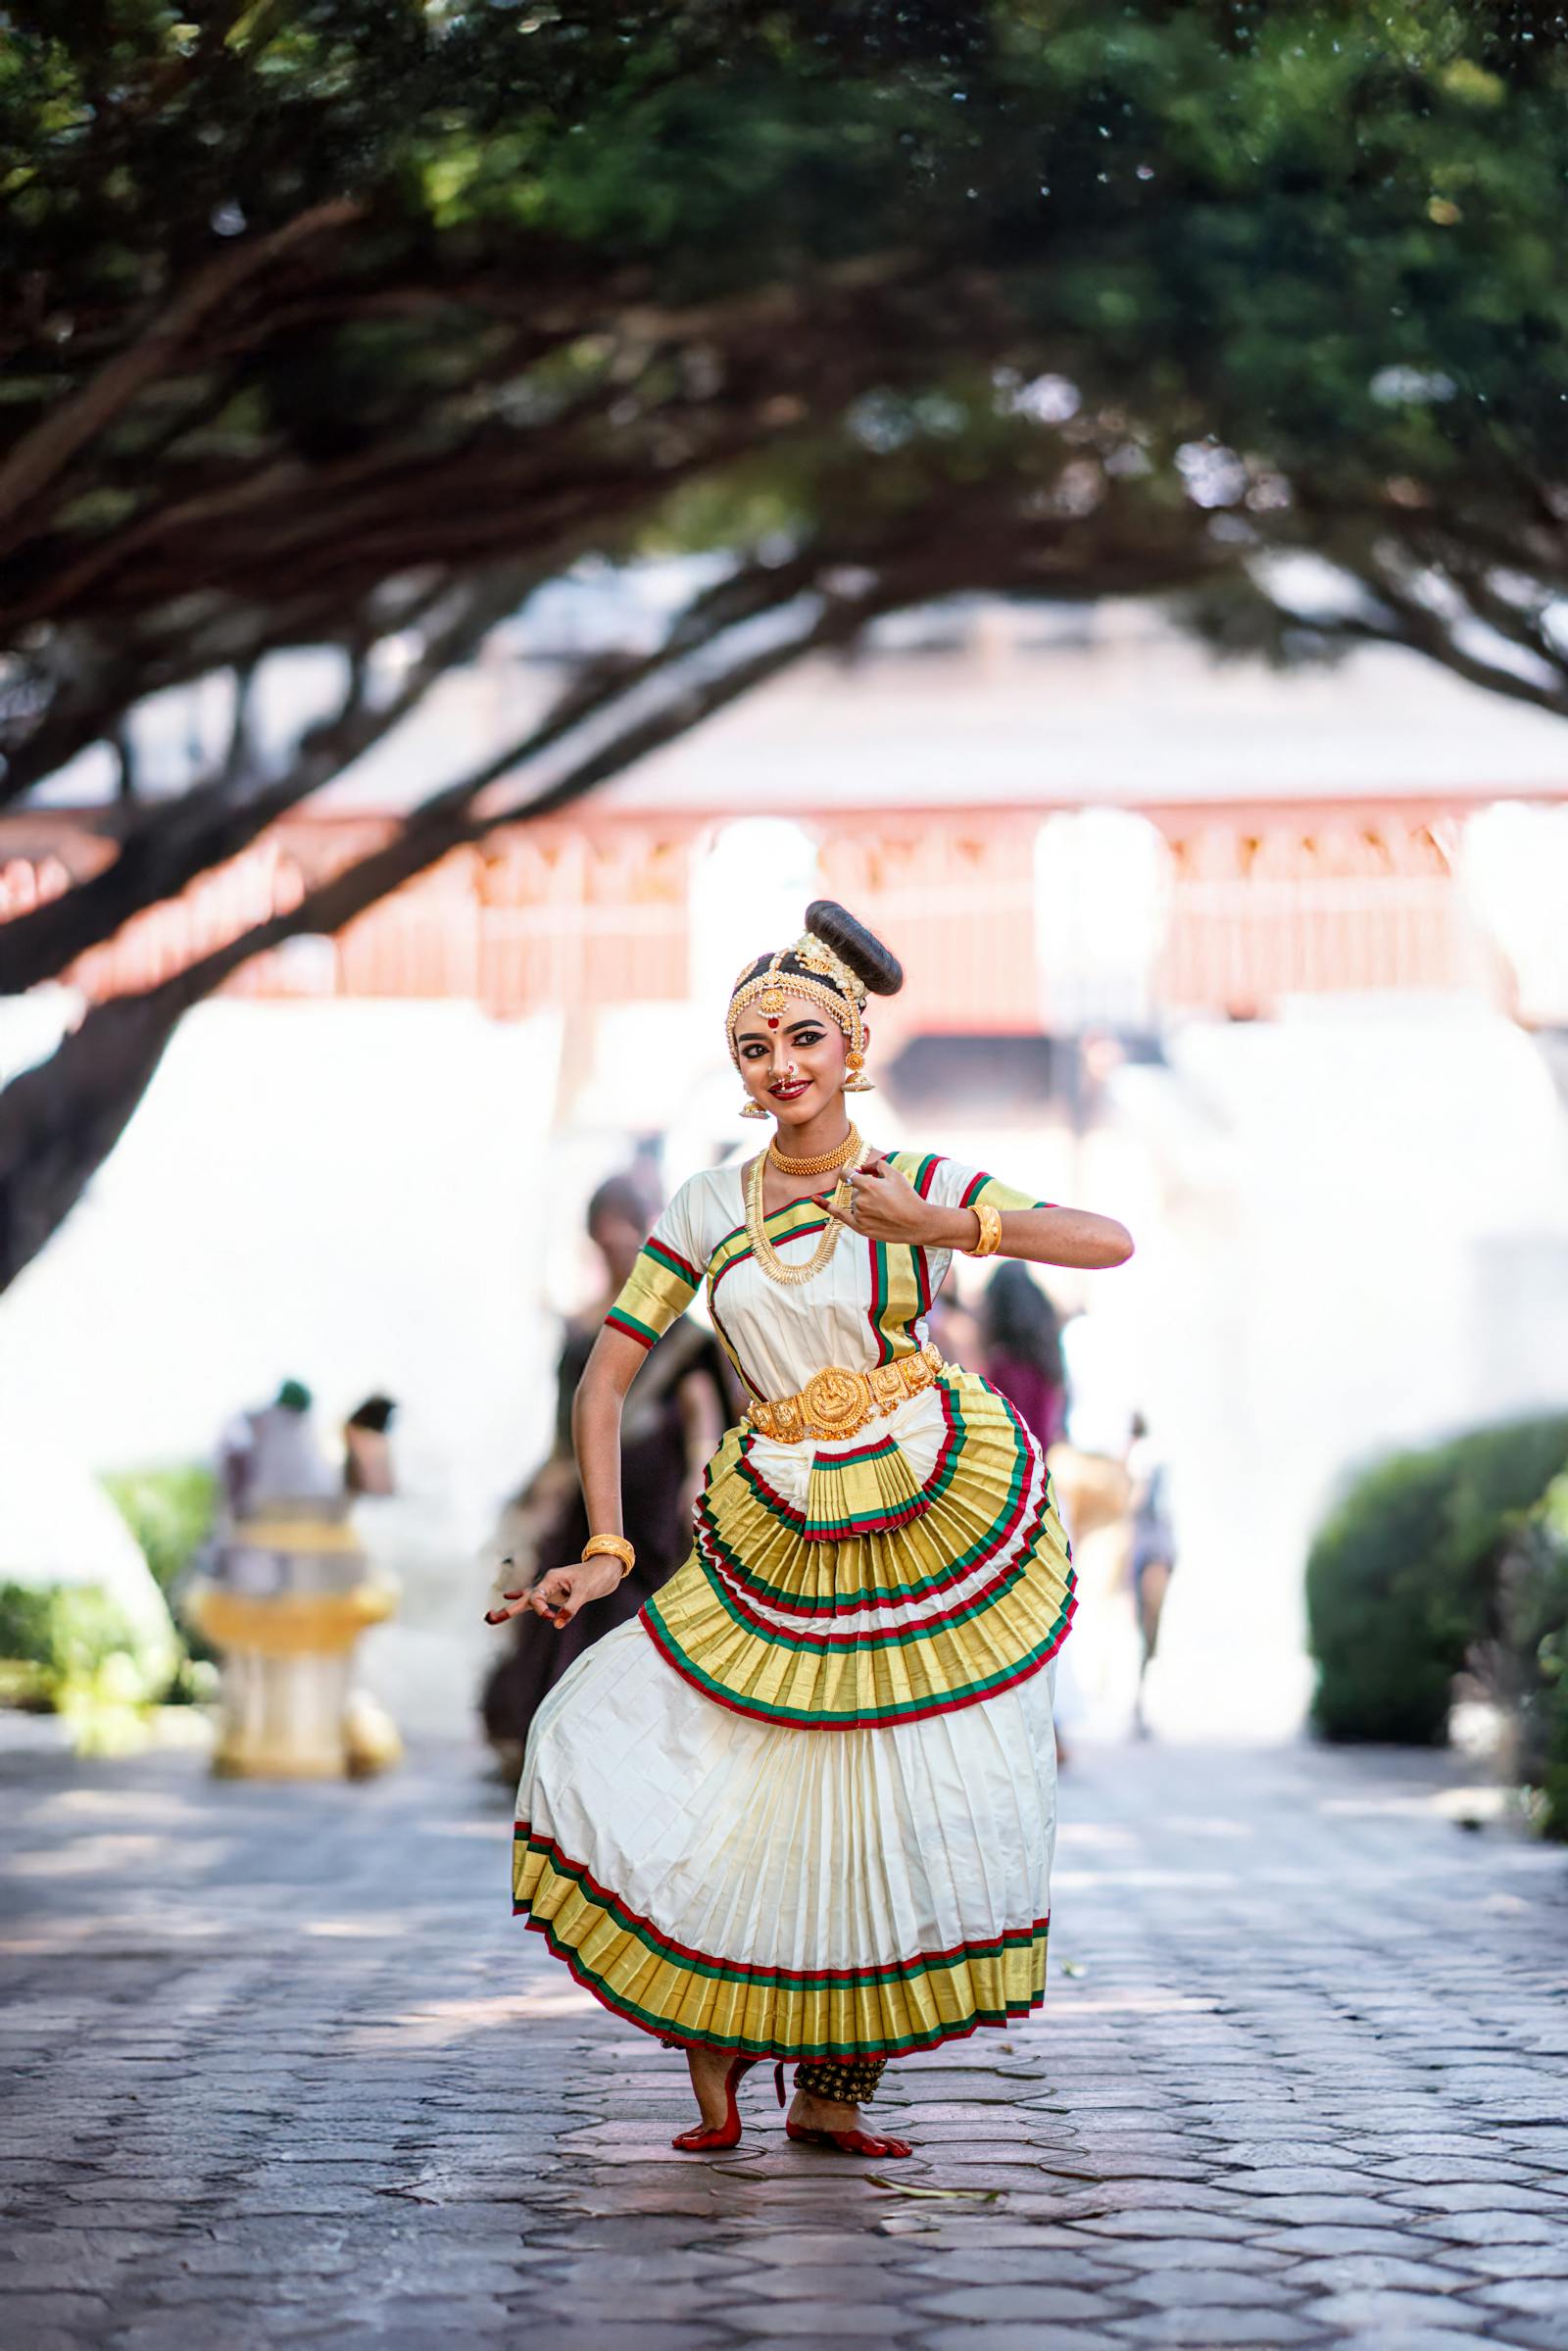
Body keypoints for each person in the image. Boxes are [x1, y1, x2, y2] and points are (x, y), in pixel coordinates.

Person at [484, 902, 1133, 2159]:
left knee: (885, 1789)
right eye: (754, 1046)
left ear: (853, 1047)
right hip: (776, 1508)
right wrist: (608, 1546)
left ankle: (835, 2086)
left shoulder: (916, 1180)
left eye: (804, 1038)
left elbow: (1104, 1239)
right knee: (707, 1748)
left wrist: (940, 1227)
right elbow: (605, 1377)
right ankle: (716, 2024)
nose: (781, 1066)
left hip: (924, 1504)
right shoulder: (705, 1202)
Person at [480, 1173, 729, 1777]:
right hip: (595, 1497)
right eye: (607, 1235)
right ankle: (559, 1738)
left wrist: (698, 1478)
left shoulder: (684, 1336)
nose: (619, 1246)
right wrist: (542, 1492)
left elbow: (702, 1412)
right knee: (571, 1612)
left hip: (656, 1505)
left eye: (629, 1232)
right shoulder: (582, 1330)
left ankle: (640, 1742)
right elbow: (564, 1435)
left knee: (644, 1615)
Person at [1125, 1410, 1176, 1734]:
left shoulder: (1140, 1455)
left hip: (1147, 1545)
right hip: (1155, 1545)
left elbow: (1137, 1500)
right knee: (1147, 1625)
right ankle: (1140, 1702)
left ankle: (1141, 1702)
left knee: (1145, 1623)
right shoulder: (1149, 1455)